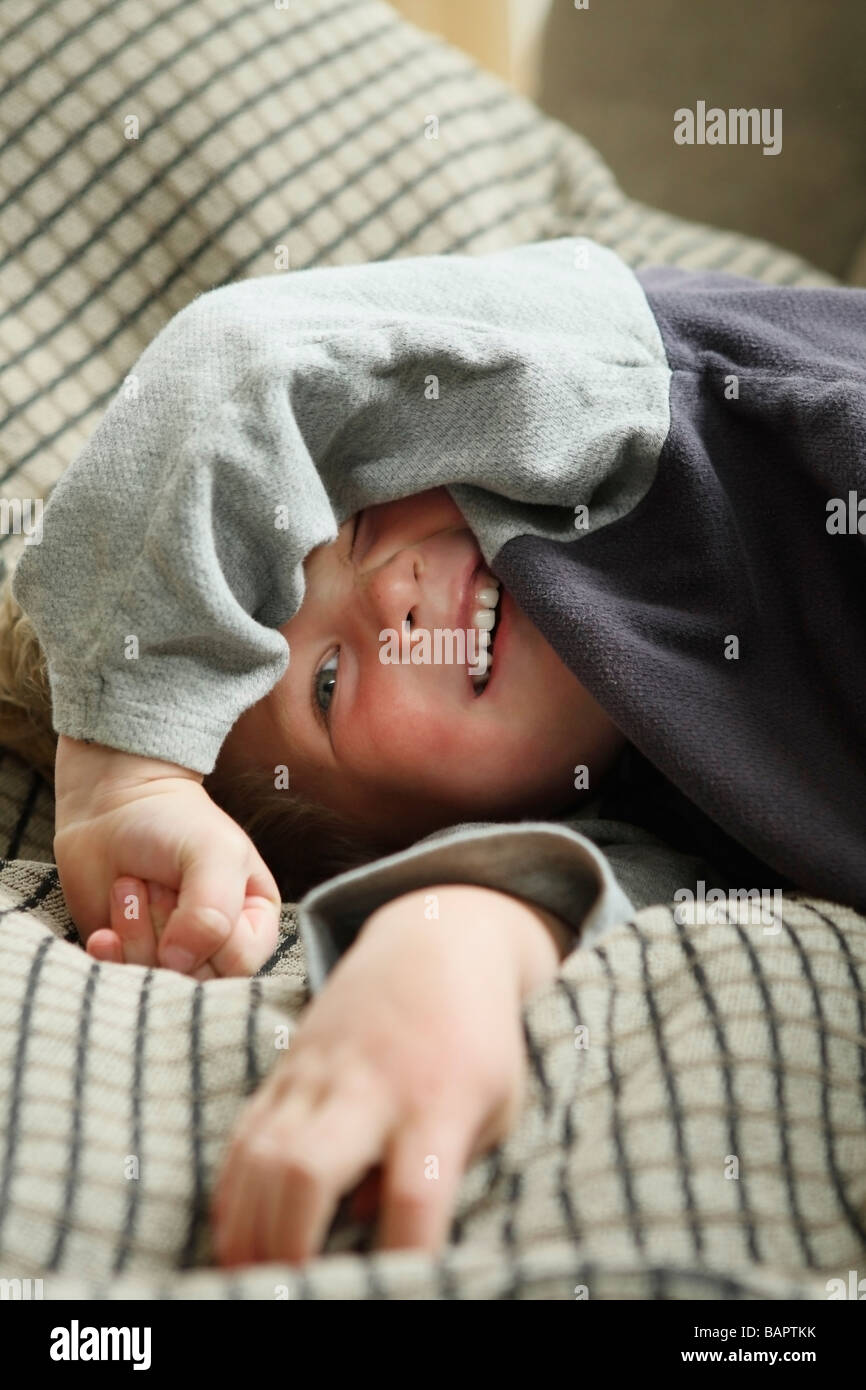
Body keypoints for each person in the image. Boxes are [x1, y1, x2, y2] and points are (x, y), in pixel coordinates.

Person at [10, 232, 864, 1263]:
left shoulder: (612, 403)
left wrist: (124, 766)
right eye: (327, 681)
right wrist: (431, 952)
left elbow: (244, 355)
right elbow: (591, 884)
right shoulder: (668, 791)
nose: (386, 589)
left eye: (358, 518)